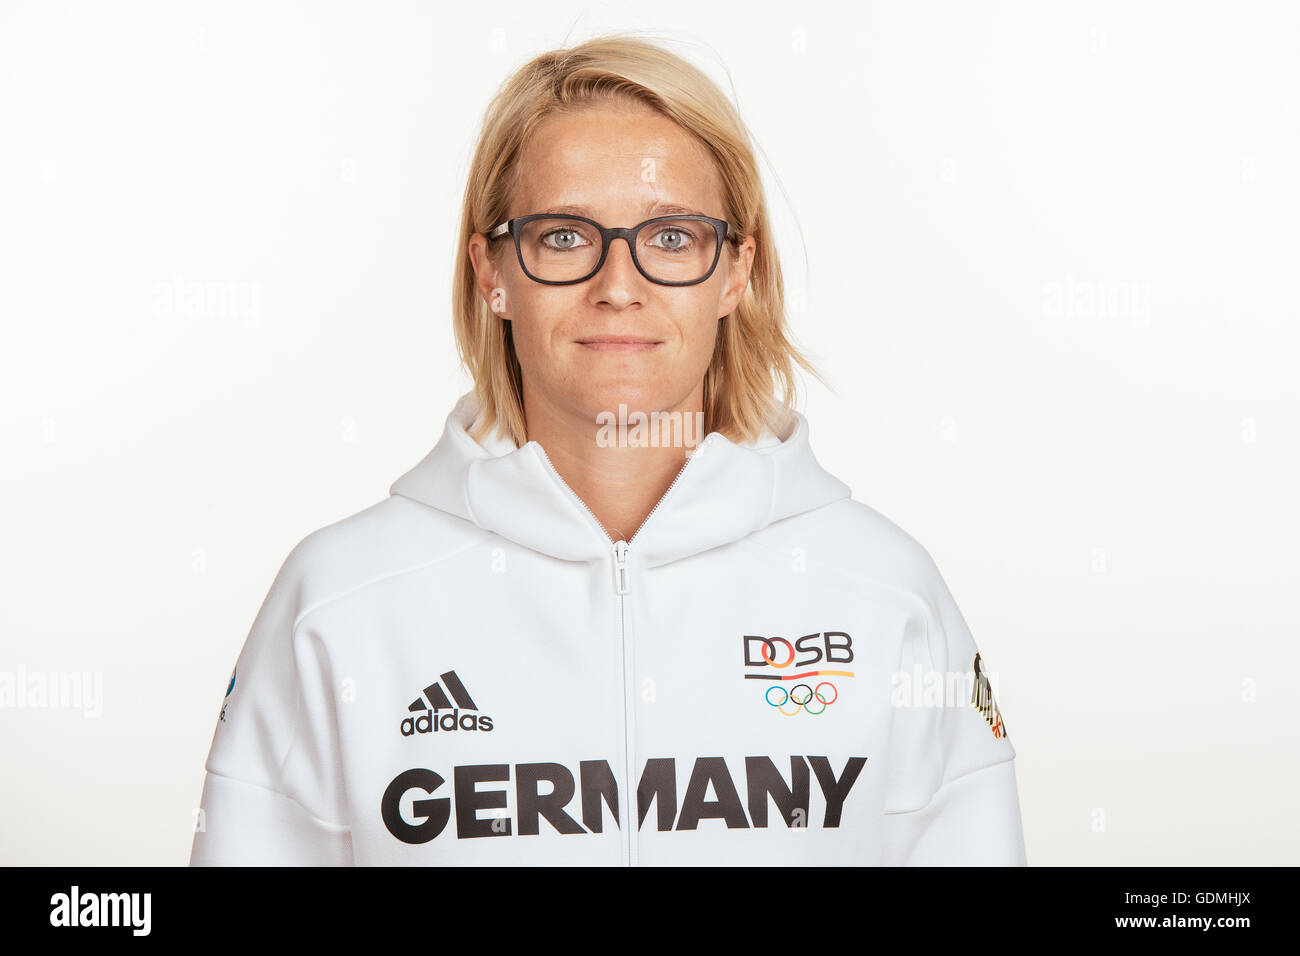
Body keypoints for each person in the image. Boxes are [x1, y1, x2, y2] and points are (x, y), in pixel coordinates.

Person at [189, 33, 1027, 866]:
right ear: (492, 273)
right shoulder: (339, 605)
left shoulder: (884, 596)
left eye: (670, 238)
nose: (617, 286)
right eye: (563, 237)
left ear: (736, 272)